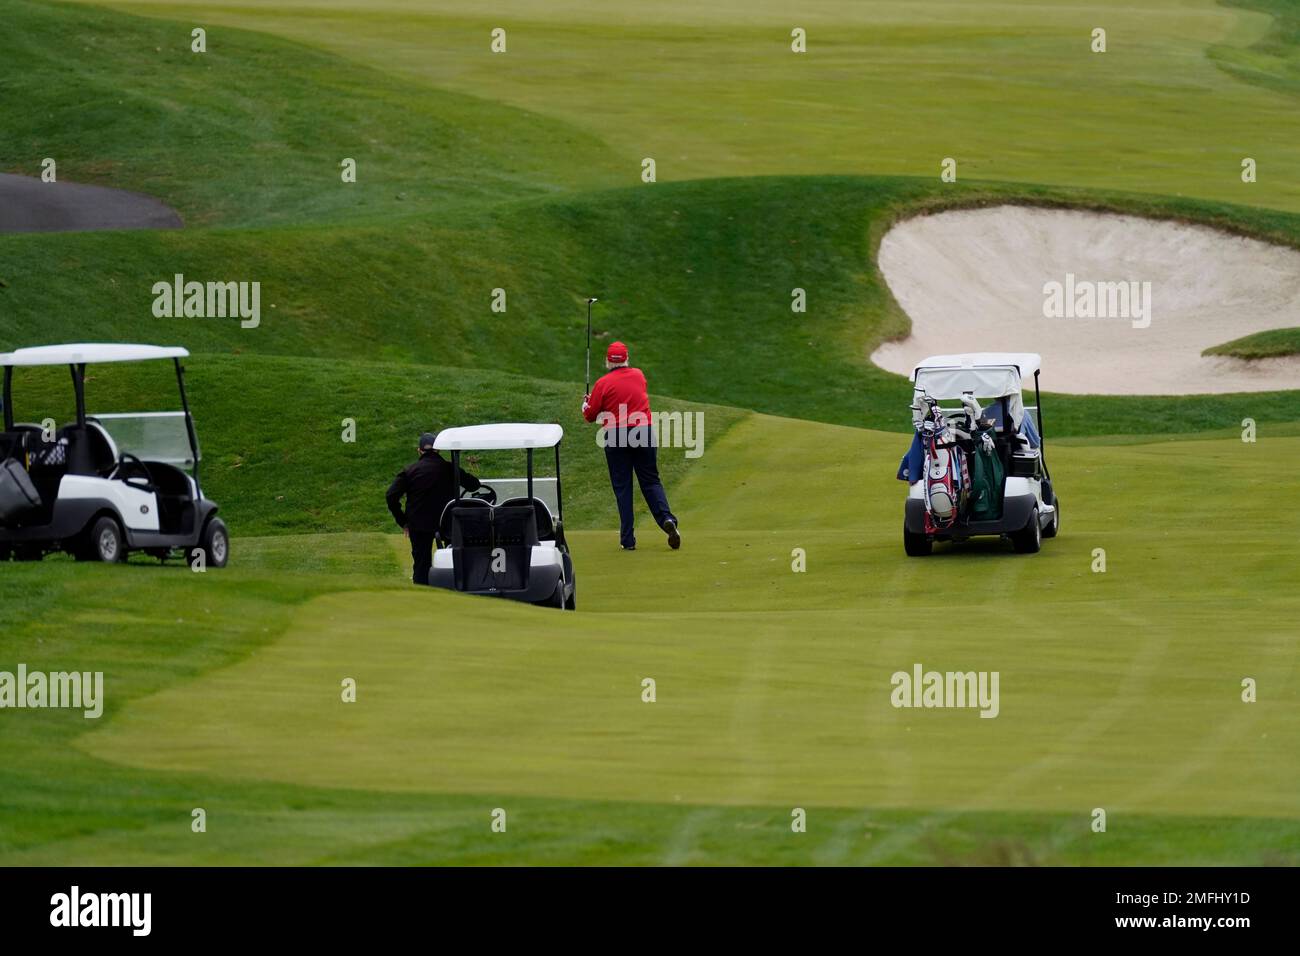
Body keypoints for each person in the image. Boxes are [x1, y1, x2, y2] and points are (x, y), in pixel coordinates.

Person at [582, 341, 680, 551]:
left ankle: (628, 540)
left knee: (623, 486)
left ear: (608, 361)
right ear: (627, 358)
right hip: (642, 431)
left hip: (616, 434)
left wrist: (586, 405)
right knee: (651, 480)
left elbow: (590, 416)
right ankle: (667, 519)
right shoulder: (639, 375)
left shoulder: (602, 383)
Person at [386, 431, 481, 585]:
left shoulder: (409, 471)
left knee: (421, 564)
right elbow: (474, 485)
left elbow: (391, 496)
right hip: (447, 523)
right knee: (454, 557)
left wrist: (403, 521)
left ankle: (423, 595)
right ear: (438, 450)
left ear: (419, 450)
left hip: (418, 524)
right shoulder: (449, 468)